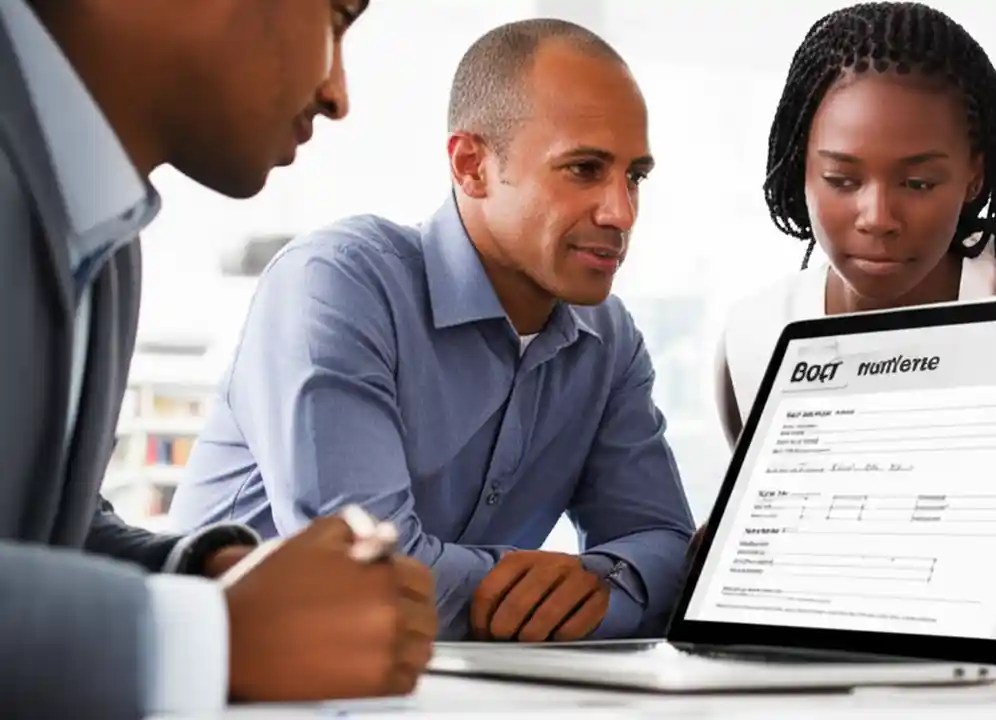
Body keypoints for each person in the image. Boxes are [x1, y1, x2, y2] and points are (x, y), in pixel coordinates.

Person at [169, 19, 695, 644]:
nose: (621, 212)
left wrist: (597, 585)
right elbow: (367, 579)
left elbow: (669, 552)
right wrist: (577, 589)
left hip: (446, 691)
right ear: (471, 165)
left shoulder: (608, 340)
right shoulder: (337, 286)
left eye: (635, 176)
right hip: (233, 686)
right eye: (584, 169)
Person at [0, 2, 436, 718]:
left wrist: (206, 579)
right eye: (335, 18)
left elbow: (38, 532)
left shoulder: (106, 232)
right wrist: (202, 637)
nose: (338, 94)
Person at [715, 1, 996, 541]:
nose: (878, 219)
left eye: (918, 184)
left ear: (973, 177)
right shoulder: (753, 339)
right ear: (800, 169)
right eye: (841, 180)